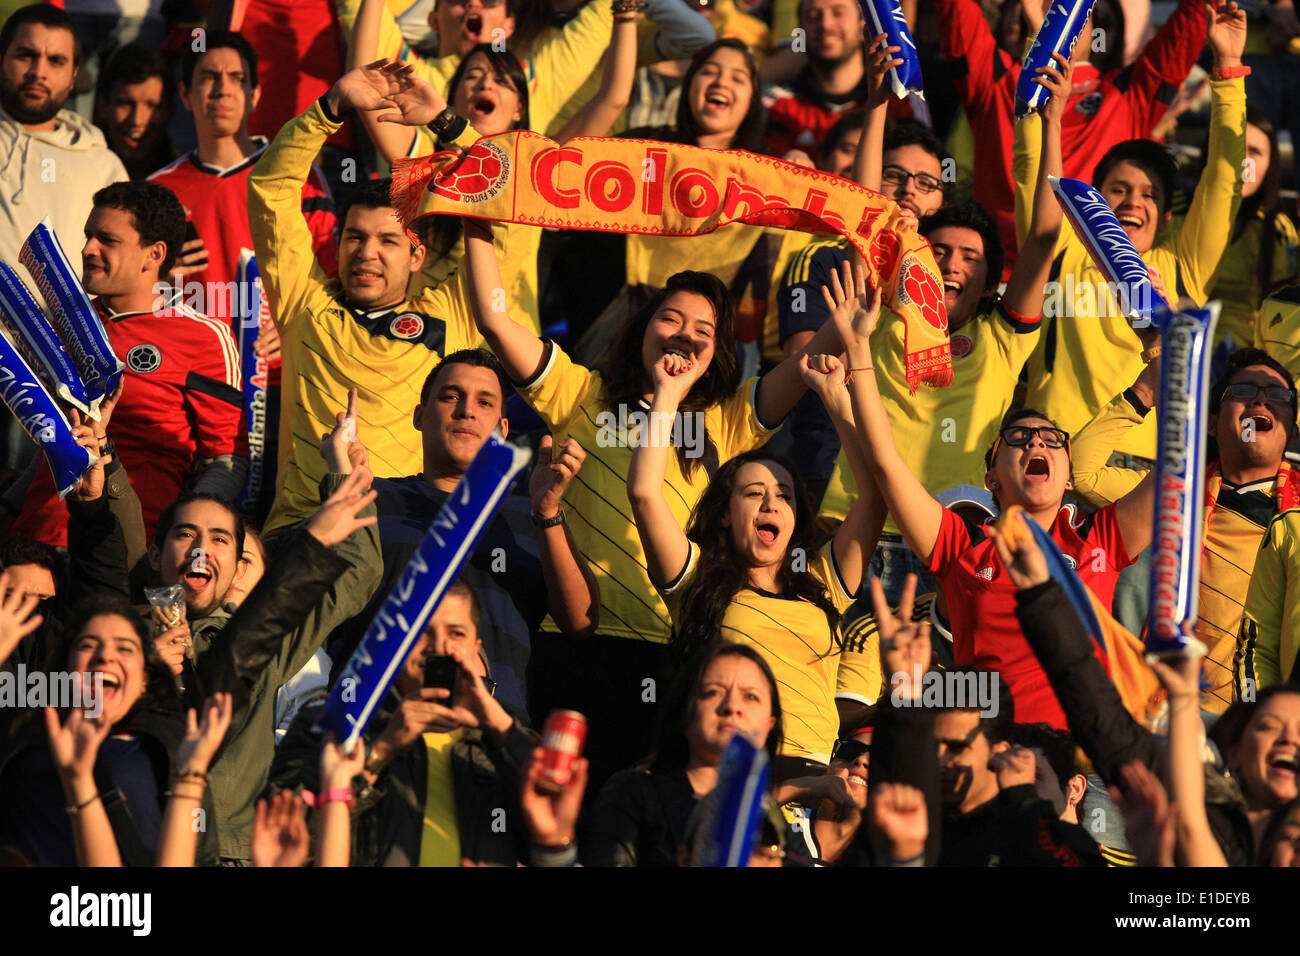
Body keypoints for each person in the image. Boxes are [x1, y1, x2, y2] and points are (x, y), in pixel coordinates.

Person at [464, 216, 844, 788]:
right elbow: (494, 320)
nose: (683, 333)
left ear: (716, 355)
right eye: (670, 318)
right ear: (641, 329)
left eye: (704, 330)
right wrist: (474, 219)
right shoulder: (581, 393)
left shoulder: (728, 420)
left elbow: (808, 360)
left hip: (679, 655)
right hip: (576, 648)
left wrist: (852, 310)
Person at [828, 256, 1156, 729]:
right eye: (1019, 439)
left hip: (1084, 760)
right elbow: (886, 464)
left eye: (1052, 439)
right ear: (992, 477)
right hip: (986, 757)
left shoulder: (1100, 539)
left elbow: (1178, 472)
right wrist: (858, 349)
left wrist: (1167, 353)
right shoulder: (962, 544)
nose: (1038, 443)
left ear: (1070, 475)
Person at [249, 62, 485, 535]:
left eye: (388, 241)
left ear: (417, 256)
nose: (367, 253)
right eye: (354, 237)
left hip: (406, 534)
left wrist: (447, 122)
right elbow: (272, 189)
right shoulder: (305, 303)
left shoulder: (452, 314)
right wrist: (330, 108)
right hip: (303, 531)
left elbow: (507, 212)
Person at [627, 343, 881, 772]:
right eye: (753, 494)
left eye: (784, 496)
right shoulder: (697, 581)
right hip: (730, 772)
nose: (771, 504)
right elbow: (645, 493)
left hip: (816, 779)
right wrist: (668, 395)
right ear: (725, 515)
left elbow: (874, 495)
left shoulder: (821, 582)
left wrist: (838, 400)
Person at [1012, 0, 1249, 461]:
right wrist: (1047, 91)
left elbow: (1225, 182)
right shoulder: (1059, 250)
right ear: (1093, 199)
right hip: (1055, 462)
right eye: (1117, 189)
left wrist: (1228, 67)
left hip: (1149, 478)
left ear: (1166, 216)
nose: (1133, 202)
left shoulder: (1182, 266)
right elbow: (1030, 166)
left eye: (1150, 195)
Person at [327, 354, 600, 720]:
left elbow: (581, 621)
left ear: (503, 429)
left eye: (484, 402)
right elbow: (320, 600)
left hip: (492, 739)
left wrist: (548, 513)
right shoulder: (372, 498)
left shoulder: (530, 515)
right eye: (451, 396)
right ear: (419, 416)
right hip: (373, 729)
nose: (466, 411)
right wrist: (343, 483)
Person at [148, 30, 340, 522]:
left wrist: (294, 322)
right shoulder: (158, 191)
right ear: (185, 95)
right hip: (190, 396)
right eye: (207, 78)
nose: (222, 90)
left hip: (278, 389)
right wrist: (158, 282)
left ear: (254, 94)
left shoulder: (296, 176)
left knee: (268, 531)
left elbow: (335, 275)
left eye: (236, 79)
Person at [11, 181, 247, 548]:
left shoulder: (204, 336)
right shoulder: (65, 324)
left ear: (154, 255)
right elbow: (54, 443)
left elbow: (225, 462)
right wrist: (10, 506)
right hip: (35, 542)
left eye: (107, 239)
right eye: (89, 236)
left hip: (127, 549)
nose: (88, 249)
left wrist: (175, 542)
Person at [1071, 346, 1299, 711]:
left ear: (1293, 428)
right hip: (1167, 718)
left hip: (1263, 726)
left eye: (1277, 396)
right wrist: (1147, 388)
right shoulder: (1170, 494)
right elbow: (1080, 473)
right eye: (1242, 392)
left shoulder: (1297, 516)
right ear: (1210, 422)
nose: (1260, 401)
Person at [269, 581, 540, 866]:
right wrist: (380, 752)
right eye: (422, 630)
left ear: (476, 647)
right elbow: (287, 842)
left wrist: (498, 726)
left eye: (456, 633)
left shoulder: (500, 736)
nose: (438, 646)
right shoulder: (331, 723)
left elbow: (552, 831)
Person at [935, 0, 1208, 275]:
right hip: (999, 280)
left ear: (1099, 26)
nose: (1055, 16)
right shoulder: (993, 81)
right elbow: (957, 10)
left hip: (1088, 283)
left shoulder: (1127, 95)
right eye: (1042, 6)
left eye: (1067, 7)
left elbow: (1187, 27)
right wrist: (1038, 42)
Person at [0, 3, 128, 473]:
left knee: (37, 516)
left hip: (61, 378)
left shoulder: (102, 164)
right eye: (25, 55)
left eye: (56, 62)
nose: (38, 71)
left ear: (75, 77)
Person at [0, 597, 206, 866]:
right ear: (65, 670)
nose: (106, 656)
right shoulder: (20, 740)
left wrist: (190, 781)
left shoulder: (172, 747)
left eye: (125, 648)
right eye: (87, 645)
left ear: (145, 678)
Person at [578, 640, 782, 866]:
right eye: (713, 692)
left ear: (770, 724)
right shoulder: (635, 793)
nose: (732, 706)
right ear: (686, 713)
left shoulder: (773, 822)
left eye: (751, 696)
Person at [1208, 108, 1300, 353]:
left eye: (1255, 152)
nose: (1244, 161)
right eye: (1236, 146)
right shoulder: (1177, 212)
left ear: (1271, 165)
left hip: (1243, 363)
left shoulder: (1277, 230)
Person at [762, 0, 869, 159]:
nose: (825, 24)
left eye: (838, 13)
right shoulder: (776, 105)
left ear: (863, 26)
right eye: (813, 16)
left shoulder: (899, 102)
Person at [92, 42, 175, 181]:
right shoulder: (78, 172)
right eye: (126, 104)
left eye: (151, 106)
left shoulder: (183, 178)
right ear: (103, 107)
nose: (136, 120)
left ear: (170, 112)